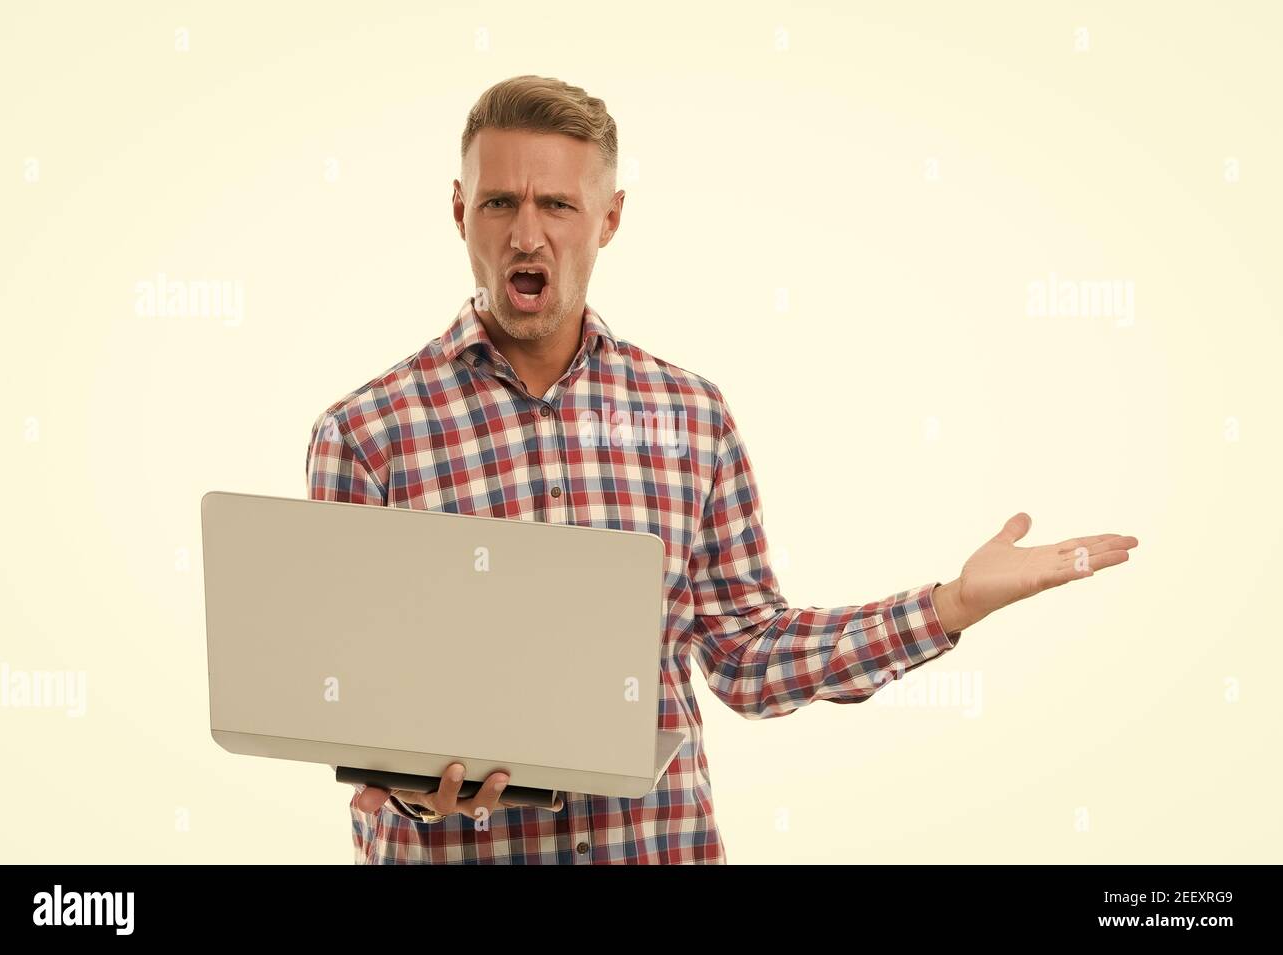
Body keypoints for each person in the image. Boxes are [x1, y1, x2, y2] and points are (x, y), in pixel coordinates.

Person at [304, 74, 1138, 864]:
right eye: (499, 203)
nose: (528, 233)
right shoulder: (368, 433)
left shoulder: (690, 416)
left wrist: (949, 605)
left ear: (609, 217)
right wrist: (413, 785)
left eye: (558, 202)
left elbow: (747, 654)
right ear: (459, 211)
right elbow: (350, 703)